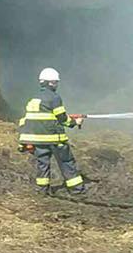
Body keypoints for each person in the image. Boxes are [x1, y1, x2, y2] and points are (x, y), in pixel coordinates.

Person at [17, 67, 86, 195]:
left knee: (42, 164)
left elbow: (40, 118)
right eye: (56, 82)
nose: (57, 85)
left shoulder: (34, 99)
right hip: (54, 139)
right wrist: (75, 122)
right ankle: (77, 190)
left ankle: (42, 191)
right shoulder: (54, 97)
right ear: (51, 83)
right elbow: (62, 119)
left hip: (37, 140)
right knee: (66, 162)